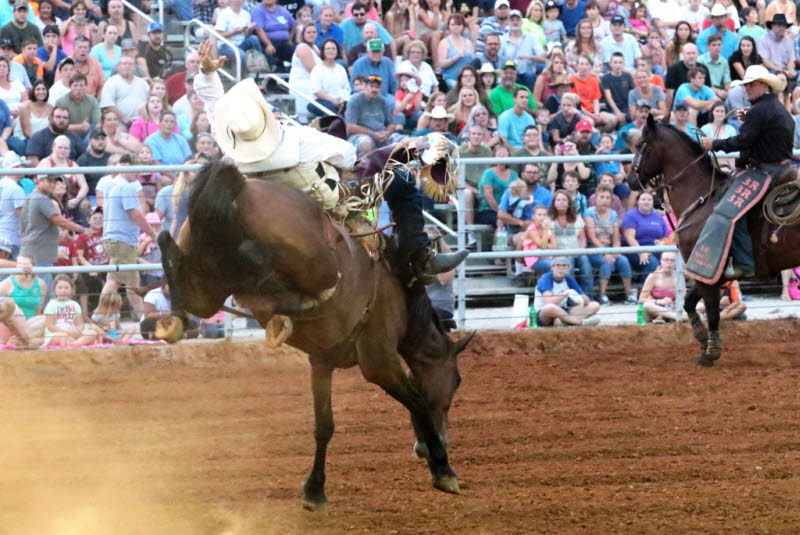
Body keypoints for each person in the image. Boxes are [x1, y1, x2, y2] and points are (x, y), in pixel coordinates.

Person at [193, 39, 468, 284]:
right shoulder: (295, 139)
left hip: (270, 201)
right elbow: (346, 154)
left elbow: (214, 103)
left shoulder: (233, 146)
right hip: (327, 198)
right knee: (403, 181)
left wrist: (207, 72)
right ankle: (417, 257)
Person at [699, 65, 794, 278]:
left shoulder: (759, 111)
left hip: (766, 172)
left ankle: (744, 262)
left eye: (750, 85)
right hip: (781, 167)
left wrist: (714, 143)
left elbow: (742, 141)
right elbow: (759, 132)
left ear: (763, 85)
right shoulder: (773, 107)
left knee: (731, 211)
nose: (746, 89)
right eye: (746, 85)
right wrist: (750, 118)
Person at [99, 154, 158, 317]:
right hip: (121, 240)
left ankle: (142, 320)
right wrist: (153, 234)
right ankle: (99, 316)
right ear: (125, 166)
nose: (138, 173)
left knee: (131, 283)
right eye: (135, 169)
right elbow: (136, 214)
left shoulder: (113, 184)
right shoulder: (126, 187)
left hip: (117, 239)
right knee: (116, 280)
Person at [584, 185, 635, 304]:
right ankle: (602, 295)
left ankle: (629, 294)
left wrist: (615, 250)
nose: (605, 200)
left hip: (609, 247)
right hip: (594, 247)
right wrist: (606, 252)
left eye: (608, 197)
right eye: (602, 197)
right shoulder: (589, 212)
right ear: (596, 198)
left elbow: (616, 239)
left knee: (623, 260)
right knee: (607, 261)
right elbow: (592, 237)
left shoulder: (613, 214)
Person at [533, 256, 600, 326]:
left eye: (564, 265)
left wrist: (584, 299)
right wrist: (566, 293)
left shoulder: (569, 279)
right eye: (558, 265)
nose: (561, 268)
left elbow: (585, 300)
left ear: (568, 268)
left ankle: (562, 321)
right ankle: (579, 322)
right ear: (552, 267)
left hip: (563, 310)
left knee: (595, 305)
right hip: (544, 314)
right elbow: (549, 302)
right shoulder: (546, 278)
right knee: (550, 307)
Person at [42, 274, 101, 347]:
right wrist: (66, 332)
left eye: (66, 288)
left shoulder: (75, 305)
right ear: (54, 290)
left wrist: (77, 331)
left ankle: (73, 344)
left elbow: (79, 324)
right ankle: (76, 344)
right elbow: (50, 326)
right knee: (62, 336)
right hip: (56, 334)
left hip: (72, 334)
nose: (63, 290)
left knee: (92, 333)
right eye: (60, 288)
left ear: (72, 289)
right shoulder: (51, 304)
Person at [621, 190, 668, 280]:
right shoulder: (631, 215)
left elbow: (665, 238)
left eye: (649, 199)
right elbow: (629, 237)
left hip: (655, 248)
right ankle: (646, 291)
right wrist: (641, 252)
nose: (646, 202)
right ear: (638, 201)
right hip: (634, 250)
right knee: (652, 262)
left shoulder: (658, 217)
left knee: (670, 260)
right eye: (643, 199)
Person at [98, 55, 149, 126]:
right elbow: (108, 104)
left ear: (135, 67)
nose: (127, 66)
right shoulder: (111, 82)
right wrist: (123, 118)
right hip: (119, 122)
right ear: (118, 67)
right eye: (124, 64)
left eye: (130, 64)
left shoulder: (143, 83)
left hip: (141, 122)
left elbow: (150, 101)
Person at [215, 0, 263, 73]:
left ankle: (261, 66)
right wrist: (234, 32)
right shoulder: (224, 14)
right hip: (226, 45)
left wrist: (249, 29)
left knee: (254, 39)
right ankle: (240, 78)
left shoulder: (246, 14)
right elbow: (219, 35)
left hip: (241, 42)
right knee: (241, 55)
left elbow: (247, 35)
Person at [477, 143, 517, 226]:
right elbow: (489, 197)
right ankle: (500, 239)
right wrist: (502, 213)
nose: (502, 157)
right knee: (502, 220)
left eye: (504, 154)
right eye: (499, 154)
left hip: (509, 210)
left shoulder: (514, 174)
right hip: (489, 210)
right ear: (494, 156)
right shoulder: (488, 173)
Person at [639, 251, 681, 322]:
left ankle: (670, 317)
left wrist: (676, 304)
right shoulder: (653, 276)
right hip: (656, 308)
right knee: (647, 305)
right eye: (666, 260)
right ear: (661, 261)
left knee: (700, 306)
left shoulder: (679, 276)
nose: (669, 263)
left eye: (672, 260)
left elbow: (683, 298)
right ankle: (678, 317)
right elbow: (641, 299)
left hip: (673, 307)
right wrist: (660, 301)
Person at [55, 72, 100, 138]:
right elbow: (58, 126)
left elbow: (98, 123)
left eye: (81, 85)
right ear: (70, 87)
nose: (78, 89)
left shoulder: (92, 101)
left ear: (86, 87)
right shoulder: (62, 102)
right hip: (67, 134)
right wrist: (80, 127)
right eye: (75, 85)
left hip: (87, 135)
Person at [757, 13, 795, 82]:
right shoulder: (763, 39)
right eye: (779, 25)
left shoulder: (788, 41)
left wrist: (791, 70)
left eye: (784, 26)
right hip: (770, 71)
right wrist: (781, 70)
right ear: (773, 26)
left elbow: (791, 60)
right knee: (780, 78)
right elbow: (765, 61)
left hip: (785, 70)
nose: (782, 28)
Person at [698, 34, 731, 100]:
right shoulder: (701, 60)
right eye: (714, 45)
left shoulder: (724, 62)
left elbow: (727, 82)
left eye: (719, 45)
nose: (716, 47)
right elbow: (700, 82)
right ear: (708, 46)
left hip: (720, 90)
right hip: (704, 89)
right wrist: (717, 91)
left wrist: (730, 92)